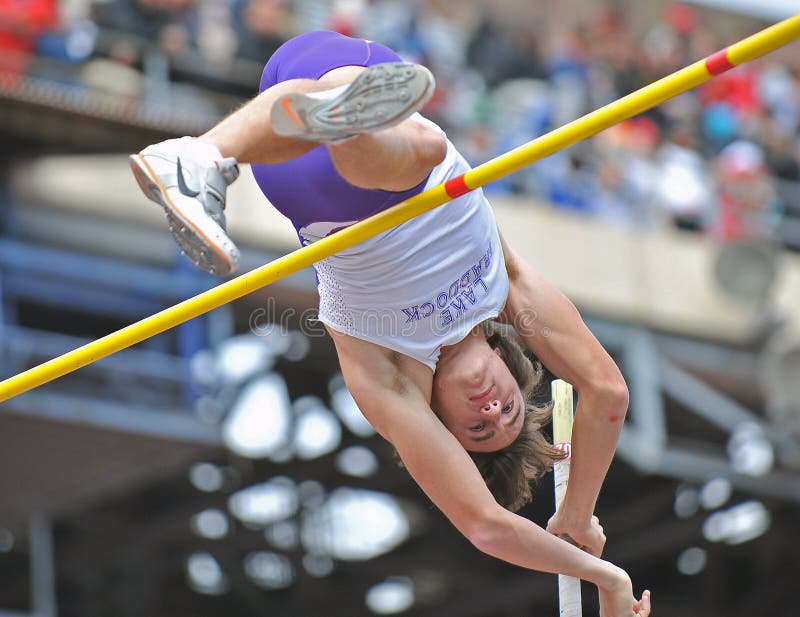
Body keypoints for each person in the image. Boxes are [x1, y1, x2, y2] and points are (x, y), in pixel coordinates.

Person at [130, 30, 651, 617]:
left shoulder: (392, 378)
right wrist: (575, 516)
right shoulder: (509, 289)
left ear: (443, 425)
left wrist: (605, 578)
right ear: (513, 371)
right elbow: (606, 392)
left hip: (309, 181)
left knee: (410, 146)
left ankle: (228, 149)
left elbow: (486, 526)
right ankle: (278, 135)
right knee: (421, 145)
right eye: (507, 410)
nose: (490, 407)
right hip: (353, 86)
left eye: (478, 428)